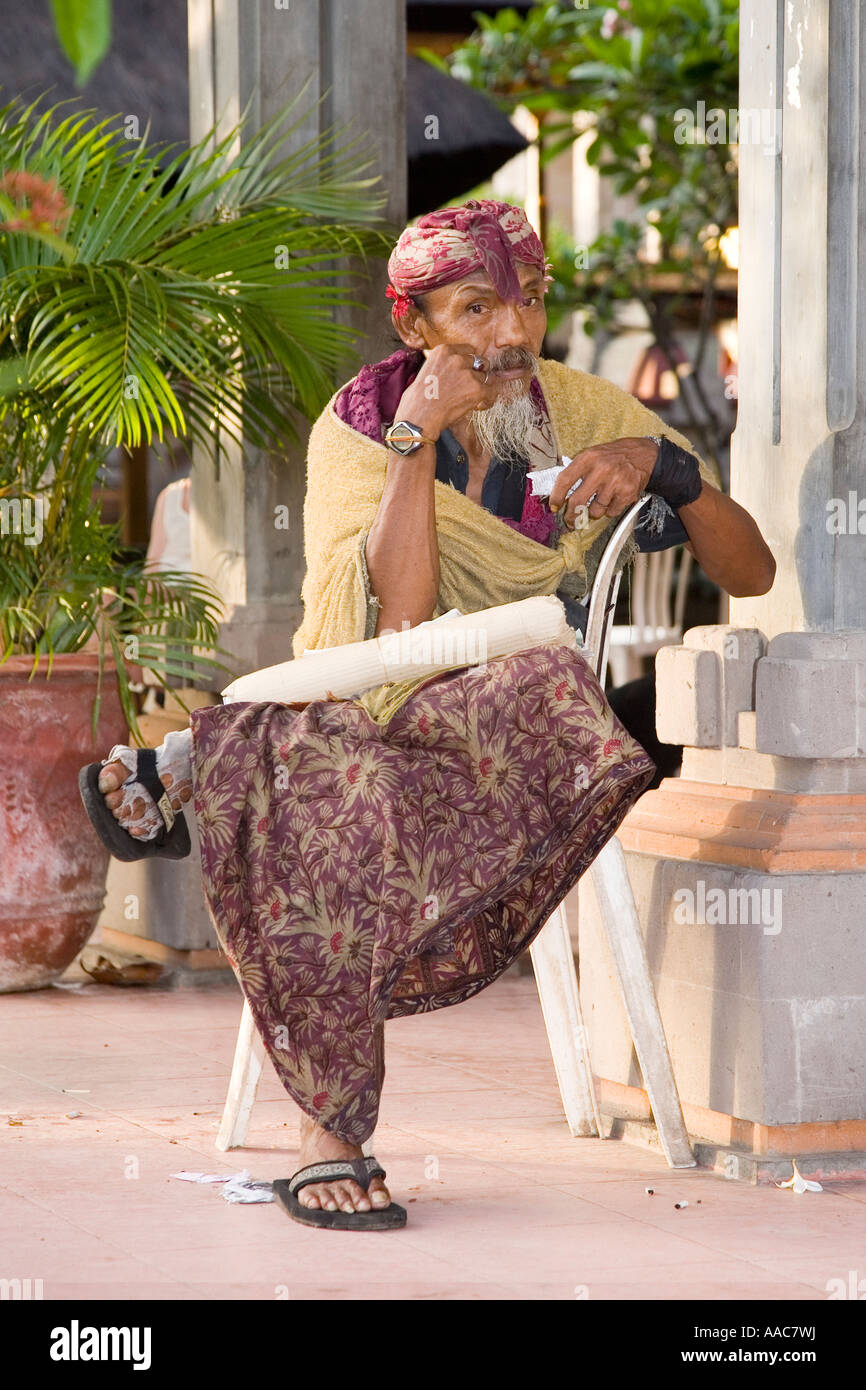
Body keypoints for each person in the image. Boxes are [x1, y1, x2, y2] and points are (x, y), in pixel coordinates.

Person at [84, 200, 775, 1229]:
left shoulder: (581, 410)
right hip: (365, 710)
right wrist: (421, 436)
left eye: (527, 304)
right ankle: (331, 1133)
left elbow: (750, 572)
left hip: (510, 730)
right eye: (475, 308)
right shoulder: (358, 429)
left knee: (534, 688)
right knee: (326, 772)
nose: (507, 335)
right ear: (414, 326)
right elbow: (393, 625)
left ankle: (202, 761)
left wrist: (668, 468)